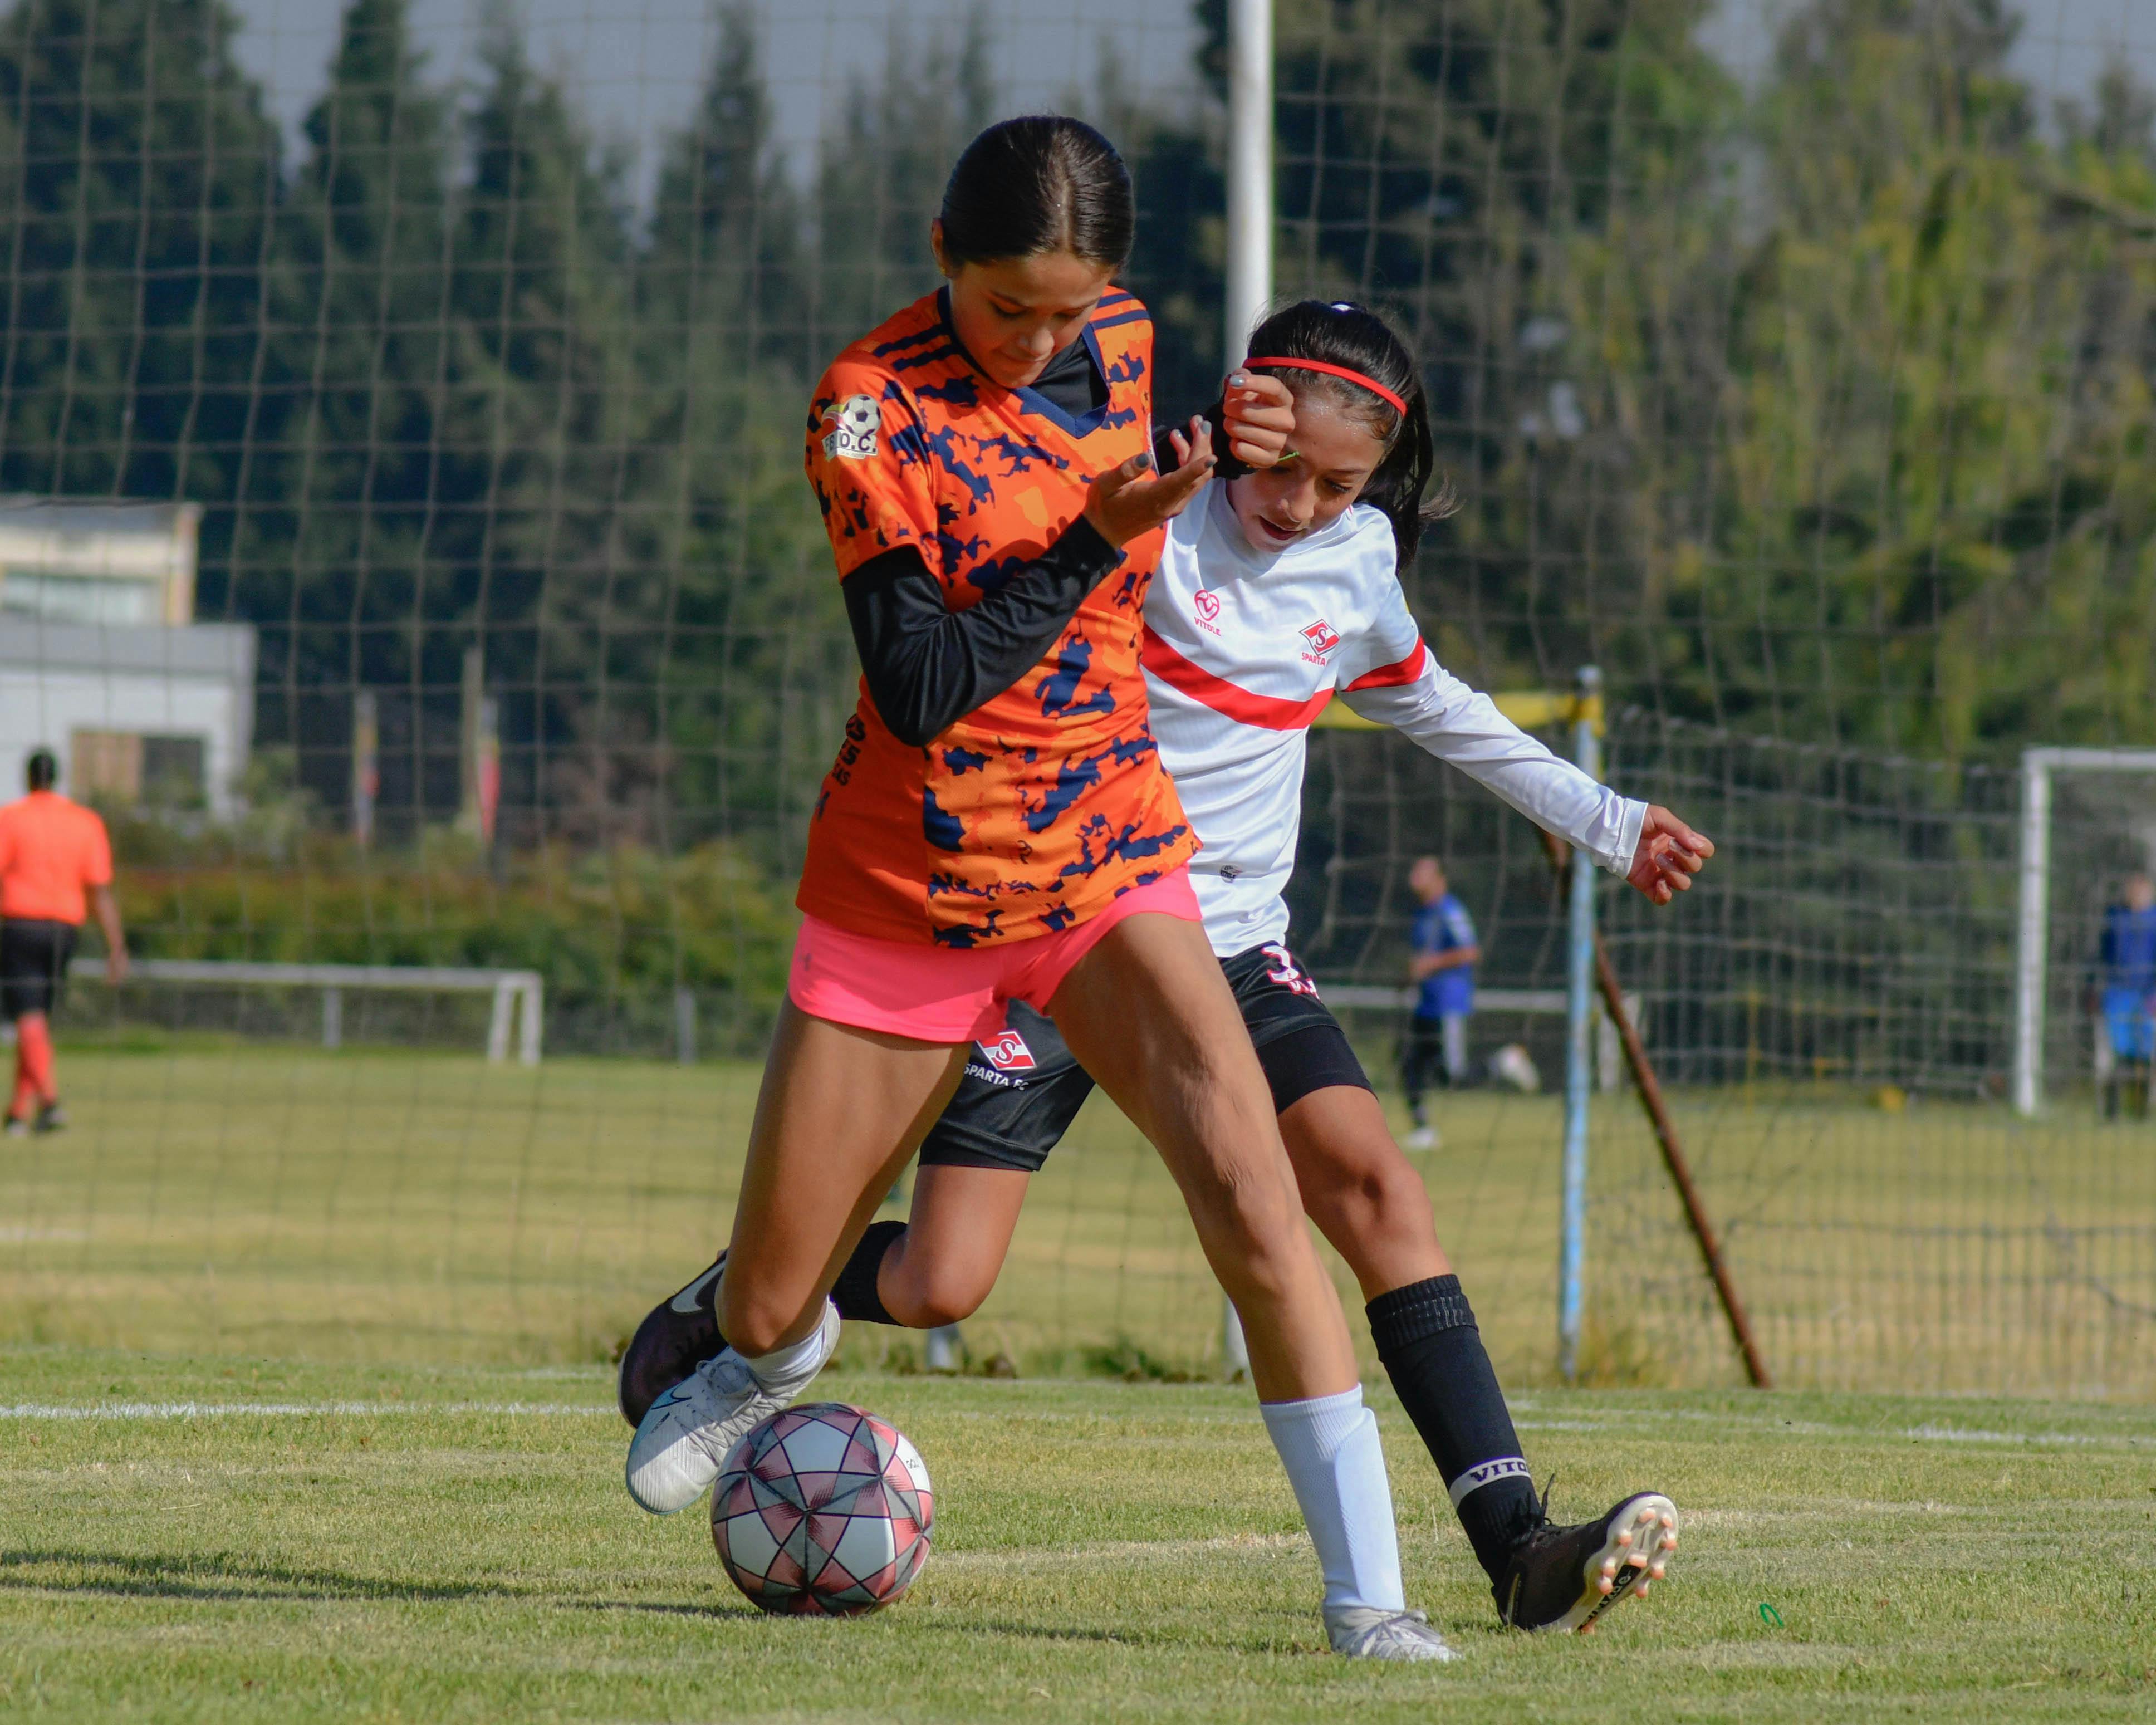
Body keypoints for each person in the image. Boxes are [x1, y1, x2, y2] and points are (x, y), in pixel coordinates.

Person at [623, 300, 1712, 1634]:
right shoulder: (1150, 511)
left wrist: (1612, 823)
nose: (1303, 503)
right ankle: (750, 1296)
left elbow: (1437, 706)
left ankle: (1515, 1548)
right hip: (1074, 922)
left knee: (1374, 1193)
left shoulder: (1357, 561)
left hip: (1236, 951)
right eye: (1284, 465)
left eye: (1341, 482)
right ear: (1241, 420)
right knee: (940, 1282)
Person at [623, 121, 1452, 1660]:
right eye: (1013, 309)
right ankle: (761, 1348)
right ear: (944, 255)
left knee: (1255, 1200)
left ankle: (1370, 1603)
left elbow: (1177, 483)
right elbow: (925, 682)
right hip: (909, 885)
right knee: (773, 1300)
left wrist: (1232, 444)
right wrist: (1094, 539)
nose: (1046, 341)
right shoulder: (866, 417)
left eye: (1074, 310)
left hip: (1109, 860)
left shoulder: (1124, 346)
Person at [0, 749, 126, 1136]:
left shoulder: (11, 819)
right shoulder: (85, 822)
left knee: (29, 1017)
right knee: (36, 1019)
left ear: (27, 777)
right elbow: (100, 891)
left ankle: (51, 1102)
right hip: (64, 932)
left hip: (19, 927)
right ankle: (20, 1112)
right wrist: (115, 945)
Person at [1400, 855, 1479, 1148]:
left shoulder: (1451, 911)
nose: (1415, 876)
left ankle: (1503, 1064)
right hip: (1425, 1004)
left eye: (1423, 871)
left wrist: (1431, 964)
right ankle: (1423, 1129)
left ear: (1440, 879)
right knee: (1409, 1065)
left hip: (1449, 1004)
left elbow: (1470, 952)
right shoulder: (1422, 913)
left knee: (1453, 1074)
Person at [2093, 872, 2156, 1120]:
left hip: (2147, 997)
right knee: (2113, 1055)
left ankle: (2141, 1111)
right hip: (2116, 996)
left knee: (2144, 1054)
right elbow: (2101, 955)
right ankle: (2112, 1112)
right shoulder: (2115, 918)